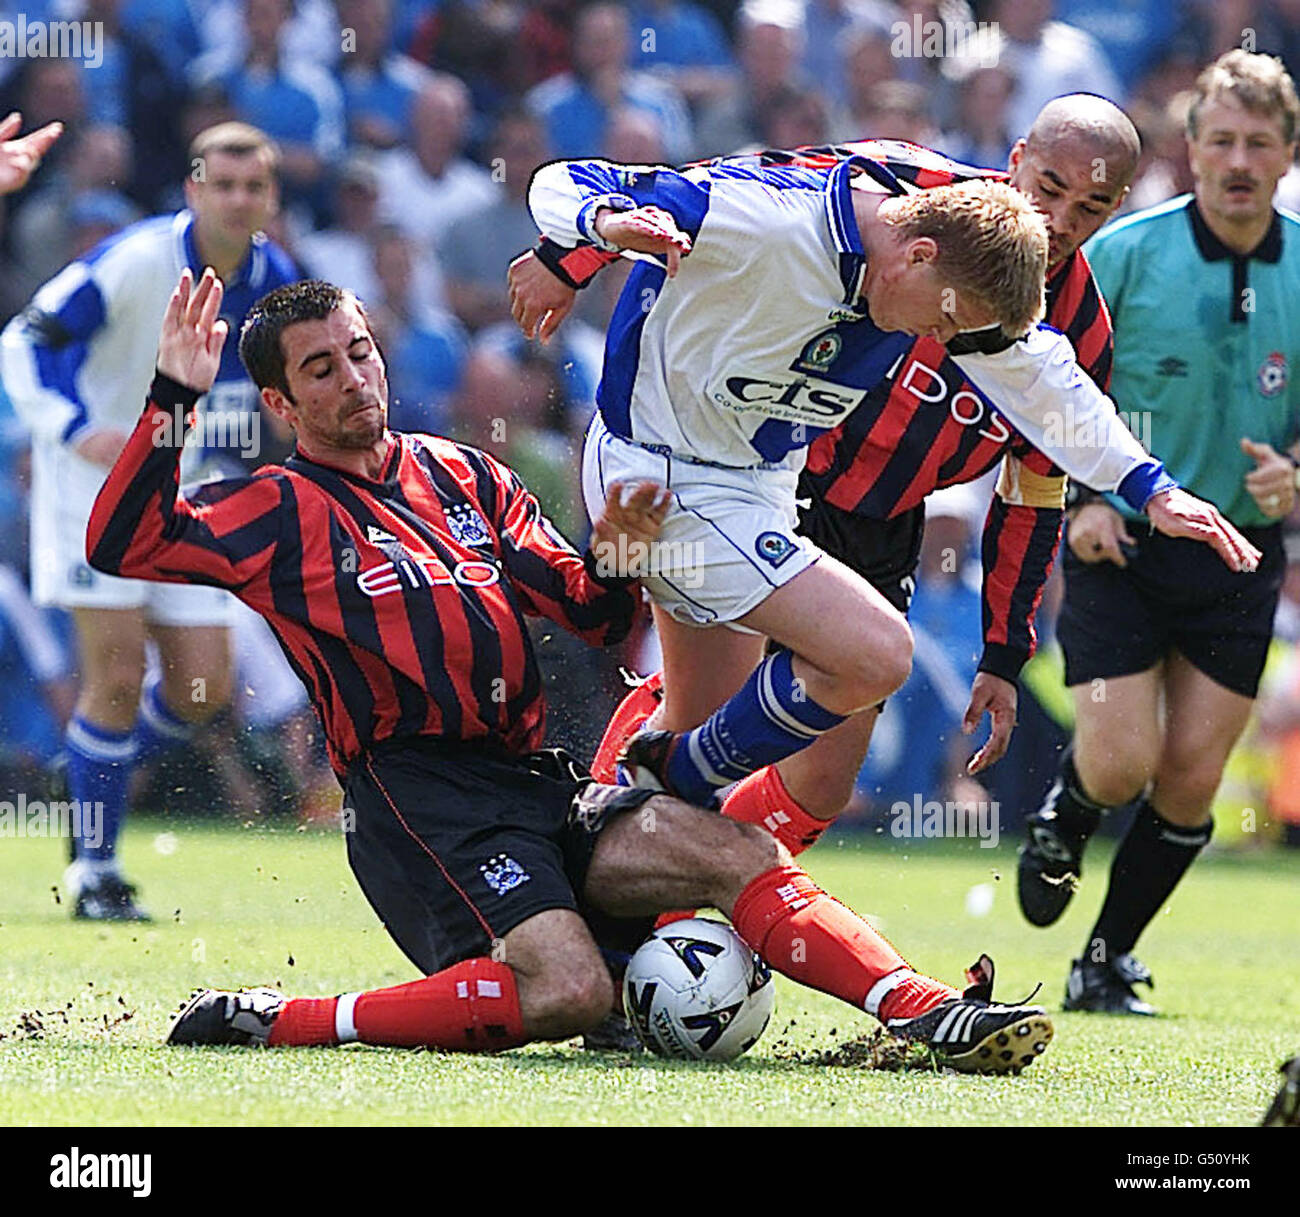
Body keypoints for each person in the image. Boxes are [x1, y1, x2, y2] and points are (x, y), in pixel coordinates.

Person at [94, 270, 1052, 1072]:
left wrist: (626, 537)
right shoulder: (275, 508)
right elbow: (123, 540)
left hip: (537, 780)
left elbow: (593, 610)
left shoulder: (466, 475)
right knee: (570, 989)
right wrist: (172, 396)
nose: (354, 378)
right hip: (422, 803)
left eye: (360, 351)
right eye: (320, 368)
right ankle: (287, 1018)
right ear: (277, 402)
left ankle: (925, 1011)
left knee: (739, 853)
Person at [511, 131, 1258, 821]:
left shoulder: (952, 279)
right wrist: (588, 240)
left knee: (699, 771)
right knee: (876, 654)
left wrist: (1152, 490)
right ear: (918, 254)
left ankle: (613, 861)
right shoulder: (770, 220)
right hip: (666, 475)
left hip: (758, 484)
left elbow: (1050, 388)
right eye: (941, 321)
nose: (935, 341)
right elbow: (571, 180)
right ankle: (668, 771)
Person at [1015, 51, 1300, 1015]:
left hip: (1243, 552)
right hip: (1120, 543)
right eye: (1220, 139)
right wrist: (1084, 497)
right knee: (1121, 761)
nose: (1238, 160)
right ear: (1190, 149)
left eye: (1259, 143)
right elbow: (1051, 387)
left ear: (1287, 154)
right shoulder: (1124, 252)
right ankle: (1070, 810)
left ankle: (1105, 959)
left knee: (1189, 784)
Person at [0, 121, 299, 920]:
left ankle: (91, 762)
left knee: (204, 687)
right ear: (193, 190)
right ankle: (95, 872)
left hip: (184, 487)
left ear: (271, 198)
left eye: (254, 187)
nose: (238, 200)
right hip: (91, 481)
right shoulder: (135, 261)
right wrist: (71, 430)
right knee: (119, 675)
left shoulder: (277, 278)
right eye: (222, 184)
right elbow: (24, 339)